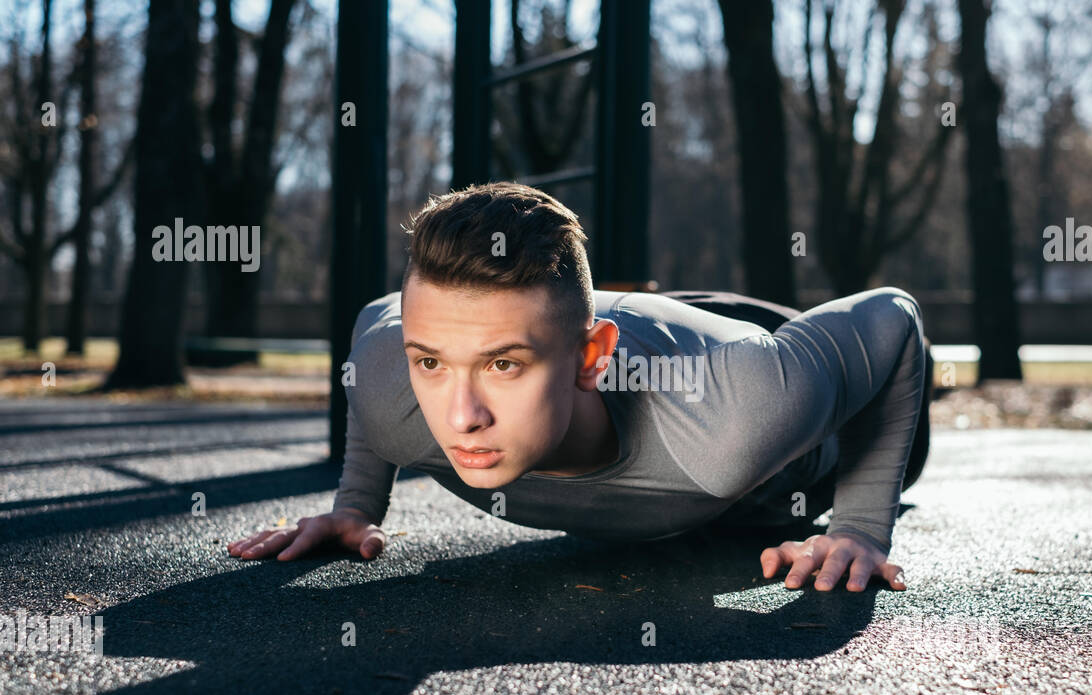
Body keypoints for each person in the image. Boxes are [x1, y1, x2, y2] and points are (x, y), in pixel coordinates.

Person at [228, 182, 933, 594]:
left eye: (504, 365)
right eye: (432, 362)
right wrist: (356, 504)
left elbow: (893, 317)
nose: (461, 417)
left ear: (591, 359)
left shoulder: (740, 413)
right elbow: (375, 325)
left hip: (822, 429)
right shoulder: (394, 385)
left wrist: (859, 529)